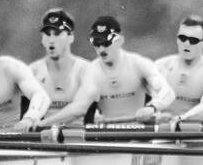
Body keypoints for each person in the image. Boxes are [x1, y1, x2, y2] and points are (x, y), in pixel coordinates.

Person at [40, 15, 175, 127]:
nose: (101, 49)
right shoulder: (92, 71)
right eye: (97, 44)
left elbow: (167, 92)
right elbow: (78, 108)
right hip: (108, 139)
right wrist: (42, 124)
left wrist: (153, 107)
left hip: (140, 138)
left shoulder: (139, 64)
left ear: (120, 40)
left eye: (106, 43)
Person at [29, 9, 90, 126]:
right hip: (44, 141)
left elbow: (79, 108)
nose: (51, 40)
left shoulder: (85, 70)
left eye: (57, 34)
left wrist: (44, 124)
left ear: (71, 37)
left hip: (78, 139)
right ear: (42, 39)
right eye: (47, 34)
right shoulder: (33, 71)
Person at [155, 15, 203, 124]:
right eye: (182, 38)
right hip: (161, 133)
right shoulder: (160, 66)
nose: (187, 44)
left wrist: (180, 119)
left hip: (196, 135)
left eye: (193, 40)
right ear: (177, 39)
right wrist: (155, 115)